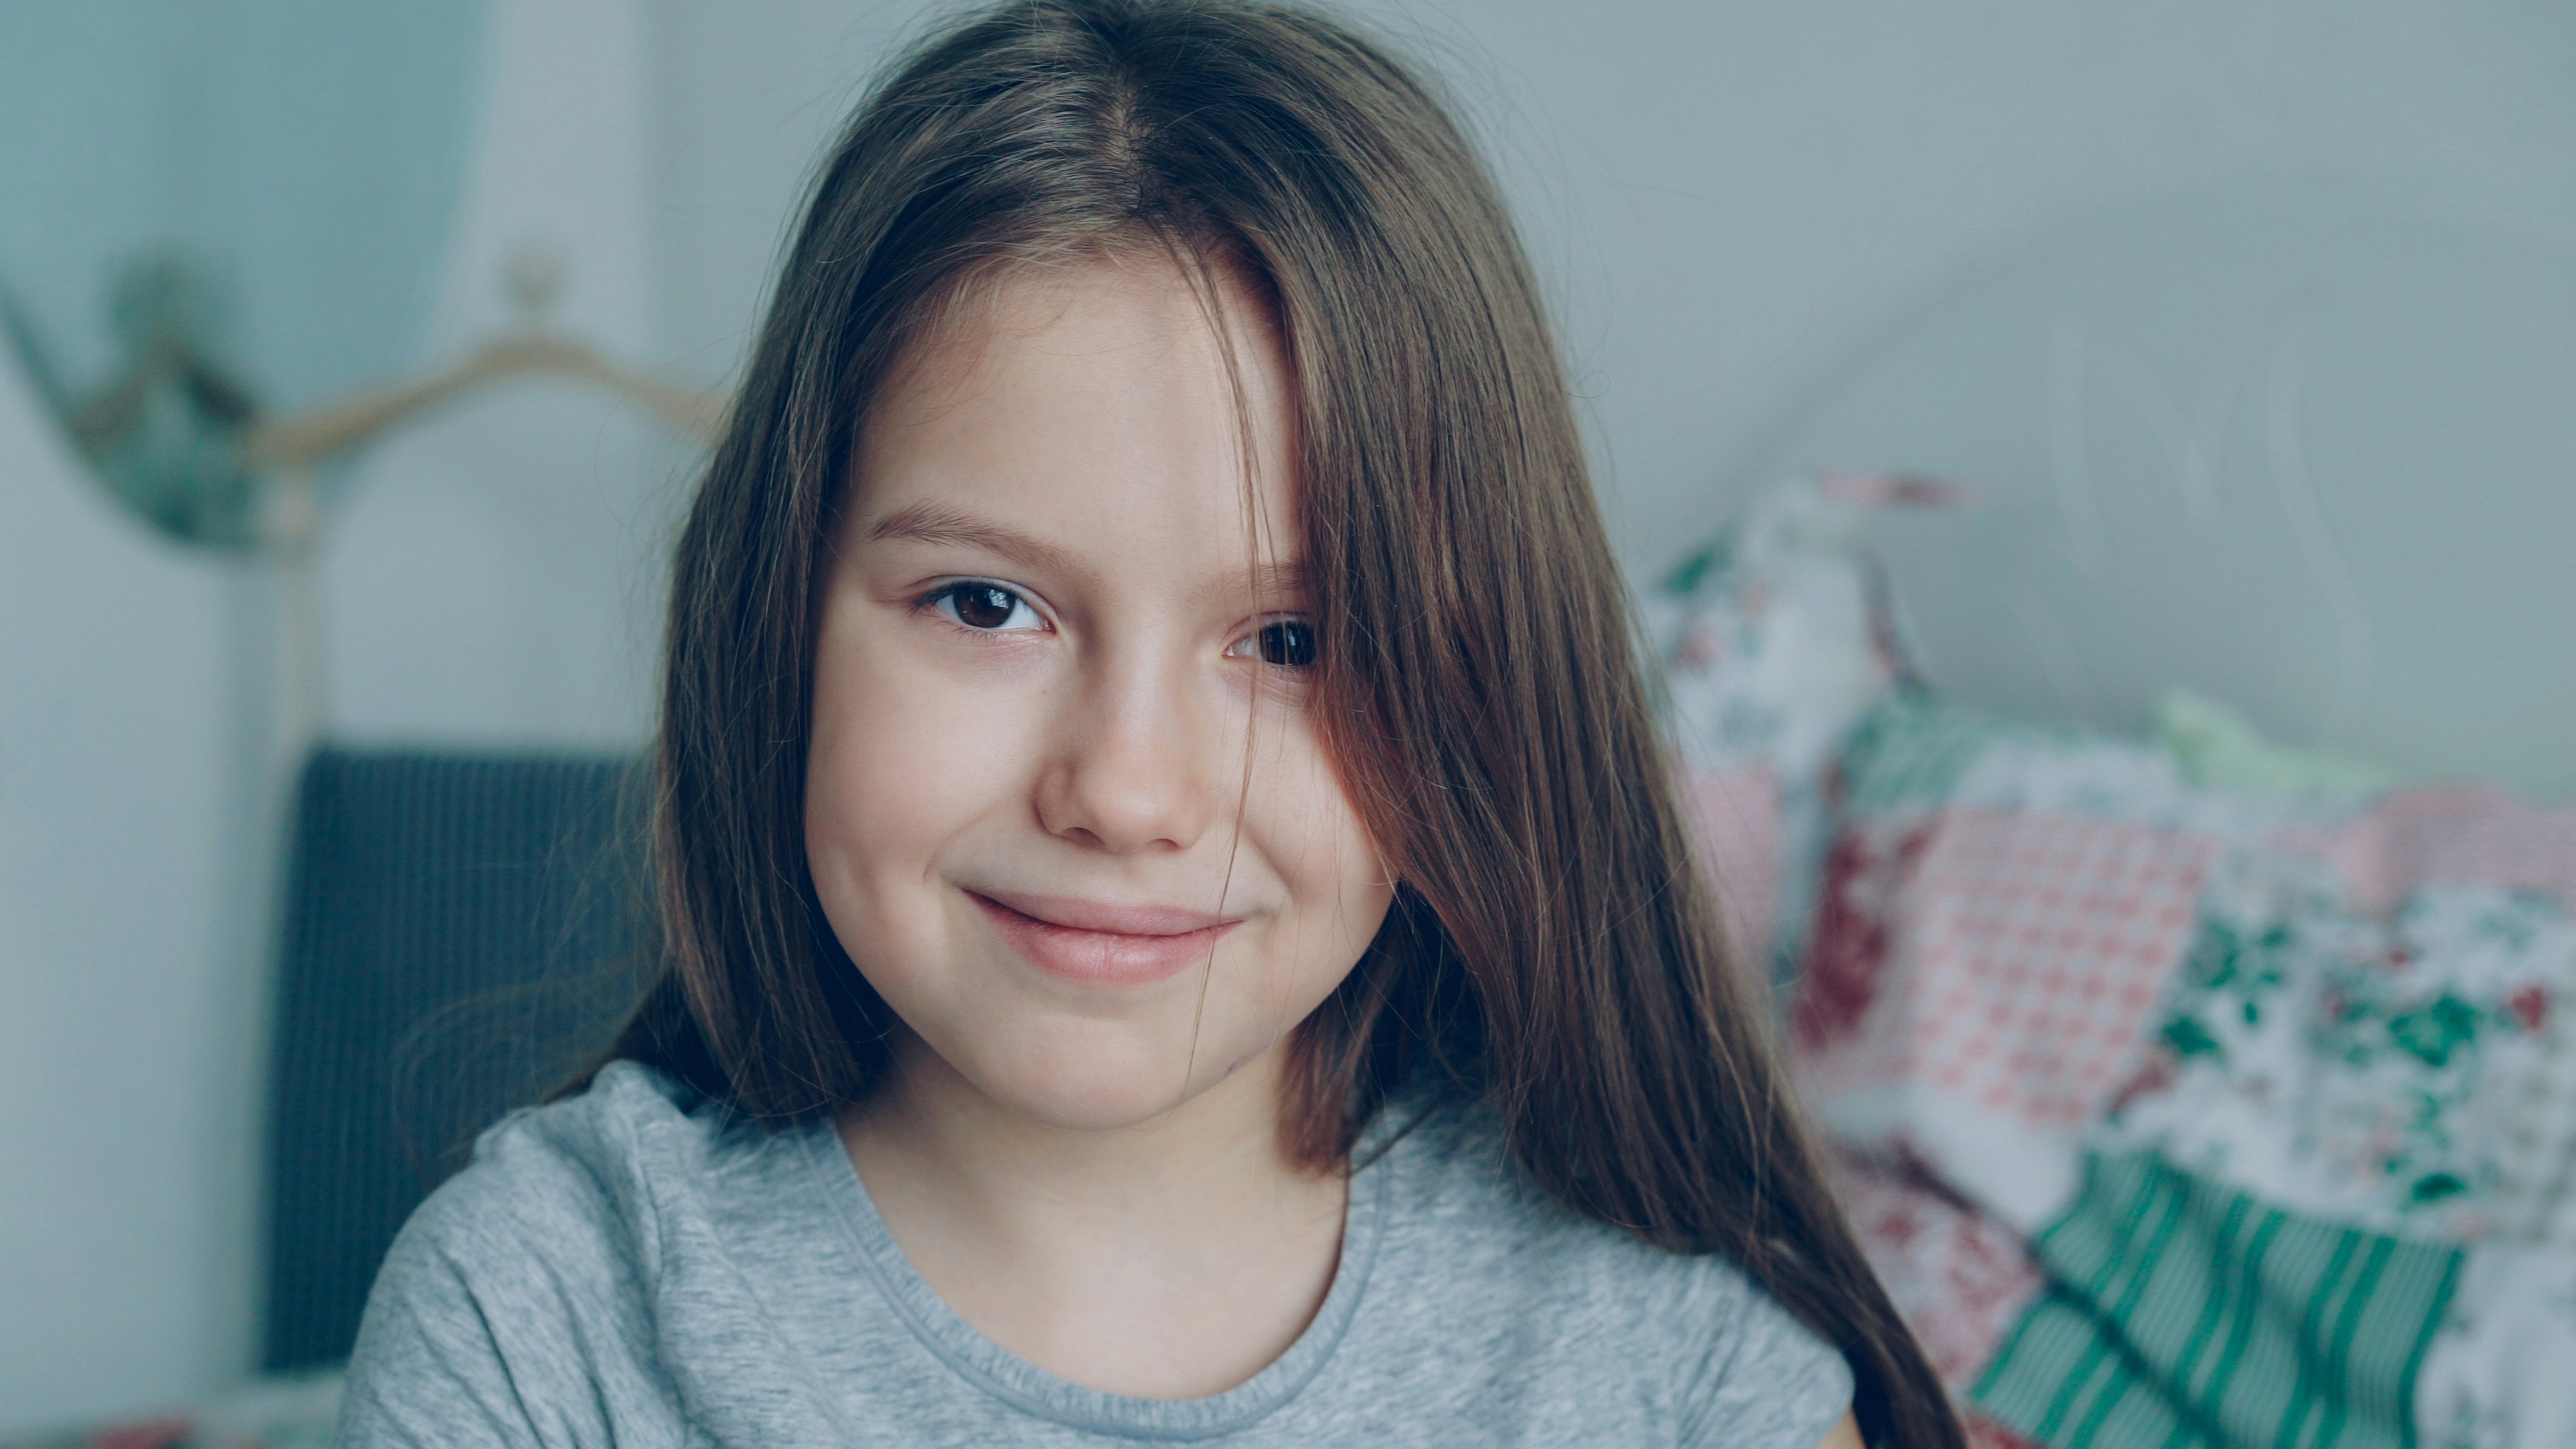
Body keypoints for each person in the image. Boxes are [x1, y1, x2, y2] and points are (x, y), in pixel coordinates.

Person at [336, 0, 1958, 1443]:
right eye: (986, 605)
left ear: (1475, 682)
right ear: (776, 622)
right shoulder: (547, 1322)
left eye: (1287, 637)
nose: (1123, 788)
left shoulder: (1665, 1369)